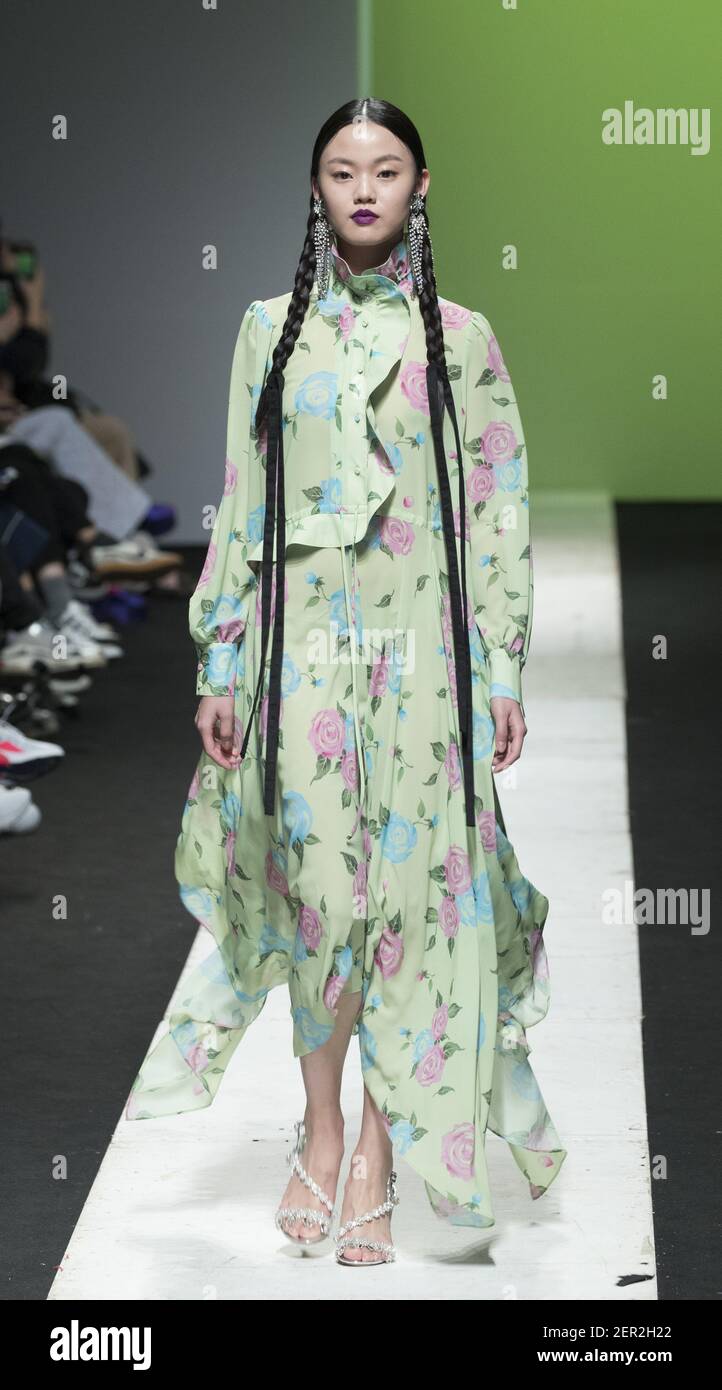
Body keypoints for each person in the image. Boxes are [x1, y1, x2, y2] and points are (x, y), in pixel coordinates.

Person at [125, 97, 567, 1266]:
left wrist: (502, 661)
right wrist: (222, 656)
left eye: (383, 170)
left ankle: (376, 1147)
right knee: (319, 896)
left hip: (424, 657)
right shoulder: (266, 329)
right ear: (314, 190)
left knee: (410, 905)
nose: (361, 189)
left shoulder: (460, 340)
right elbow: (242, 502)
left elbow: (494, 508)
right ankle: (318, 1133)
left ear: (422, 186)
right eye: (338, 170)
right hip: (299, 651)